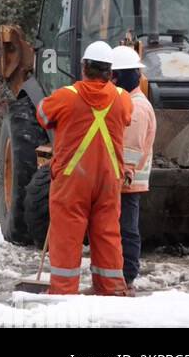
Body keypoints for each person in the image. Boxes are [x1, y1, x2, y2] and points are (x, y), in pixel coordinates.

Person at [35, 41, 133, 295]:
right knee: (108, 233)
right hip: (109, 178)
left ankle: (64, 291)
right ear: (110, 72)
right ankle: (111, 289)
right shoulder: (123, 98)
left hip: (72, 178)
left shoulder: (66, 96)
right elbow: (126, 117)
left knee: (67, 233)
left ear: (84, 68)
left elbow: (43, 116)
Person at [110, 45, 156, 290]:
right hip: (127, 178)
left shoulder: (136, 106)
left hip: (128, 180)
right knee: (124, 227)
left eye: (113, 75)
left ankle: (127, 274)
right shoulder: (130, 101)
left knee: (126, 228)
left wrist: (123, 172)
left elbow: (131, 148)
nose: (110, 80)